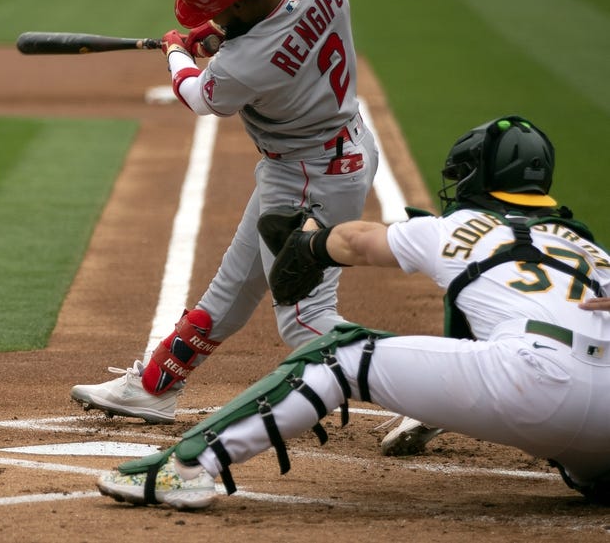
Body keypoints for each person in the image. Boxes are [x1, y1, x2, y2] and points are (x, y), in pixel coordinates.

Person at [96, 115, 610, 510]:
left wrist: (309, 245)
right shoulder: (593, 252)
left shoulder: (453, 229)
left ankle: (186, 468)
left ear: (477, 177)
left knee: (339, 355)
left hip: (533, 384)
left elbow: (359, 241)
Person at [71, 0, 382, 426]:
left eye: (217, 10)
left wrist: (177, 52)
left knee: (305, 320)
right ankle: (156, 387)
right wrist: (221, 31)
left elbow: (200, 96)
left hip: (310, 178)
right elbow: (277, 21)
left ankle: (441, 388)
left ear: (239, 0)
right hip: (338, 145)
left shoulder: (246, 62)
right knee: (233, 286)